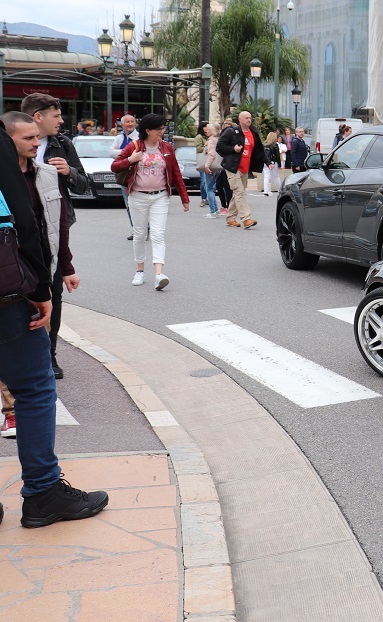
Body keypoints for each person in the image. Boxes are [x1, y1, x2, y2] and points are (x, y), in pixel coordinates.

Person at [0, 121, 108, 528]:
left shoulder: (42, 168)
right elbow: (25, 226)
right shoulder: (5, 160)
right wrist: (42, 289)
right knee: (34, 388)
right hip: (8, 297)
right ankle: (43, 492)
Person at [20, 94, 91, 379]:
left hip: (55, 227)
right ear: (38, 117)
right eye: (56, 115)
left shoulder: (63, 144)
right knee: (20, 289)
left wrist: (69, 172)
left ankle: (49, 354)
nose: (61, 121)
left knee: (53, 291)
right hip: (18, 228)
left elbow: (84, 185)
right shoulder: (10, 141)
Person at [112, 113, 190, 289]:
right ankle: (139, 271)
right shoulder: (135, 146)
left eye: (163, 128)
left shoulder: (167, 148)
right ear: (147, 130)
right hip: (137, 196)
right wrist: (131, 159)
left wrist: (185, 198)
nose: (162, 131)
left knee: (157, 234)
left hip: (160, 196)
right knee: (140, 234)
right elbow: (115, 166)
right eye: (159, 128)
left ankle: (159, 274)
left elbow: (176, 173)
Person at [216, 111, 264, 228]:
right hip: (232, 167)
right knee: (239, 191)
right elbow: (219, 146)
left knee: (238, 194)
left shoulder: (253, 133)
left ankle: (230, 218)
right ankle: (246, 218)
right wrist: (233, 149)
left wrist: (266, 162)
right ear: (240, 119)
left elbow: (258, 150)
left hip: (245, 168)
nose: (249, 120)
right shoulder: (231, 131)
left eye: (250, 118)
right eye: (246, 118)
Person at [197, 121, 222, 218]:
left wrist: (207, 166)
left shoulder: (211, 140)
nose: (206, 130)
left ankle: (213, 210)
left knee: (209, 189)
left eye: (208, 129)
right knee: (211, 187)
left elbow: (211, 154)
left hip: (211, 166)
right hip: (217, 166)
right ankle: (215, 210)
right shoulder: (218, 139)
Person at [261, 131, 281, 196]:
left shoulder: (264, 144)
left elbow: (263, 155)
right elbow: (277, 155)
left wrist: (267, 162)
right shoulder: (275, 145)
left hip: (266, 162)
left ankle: (266, 191)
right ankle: (280, 190)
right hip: (274, 162)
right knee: (276, 177)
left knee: (266, 177)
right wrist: (279, 164)